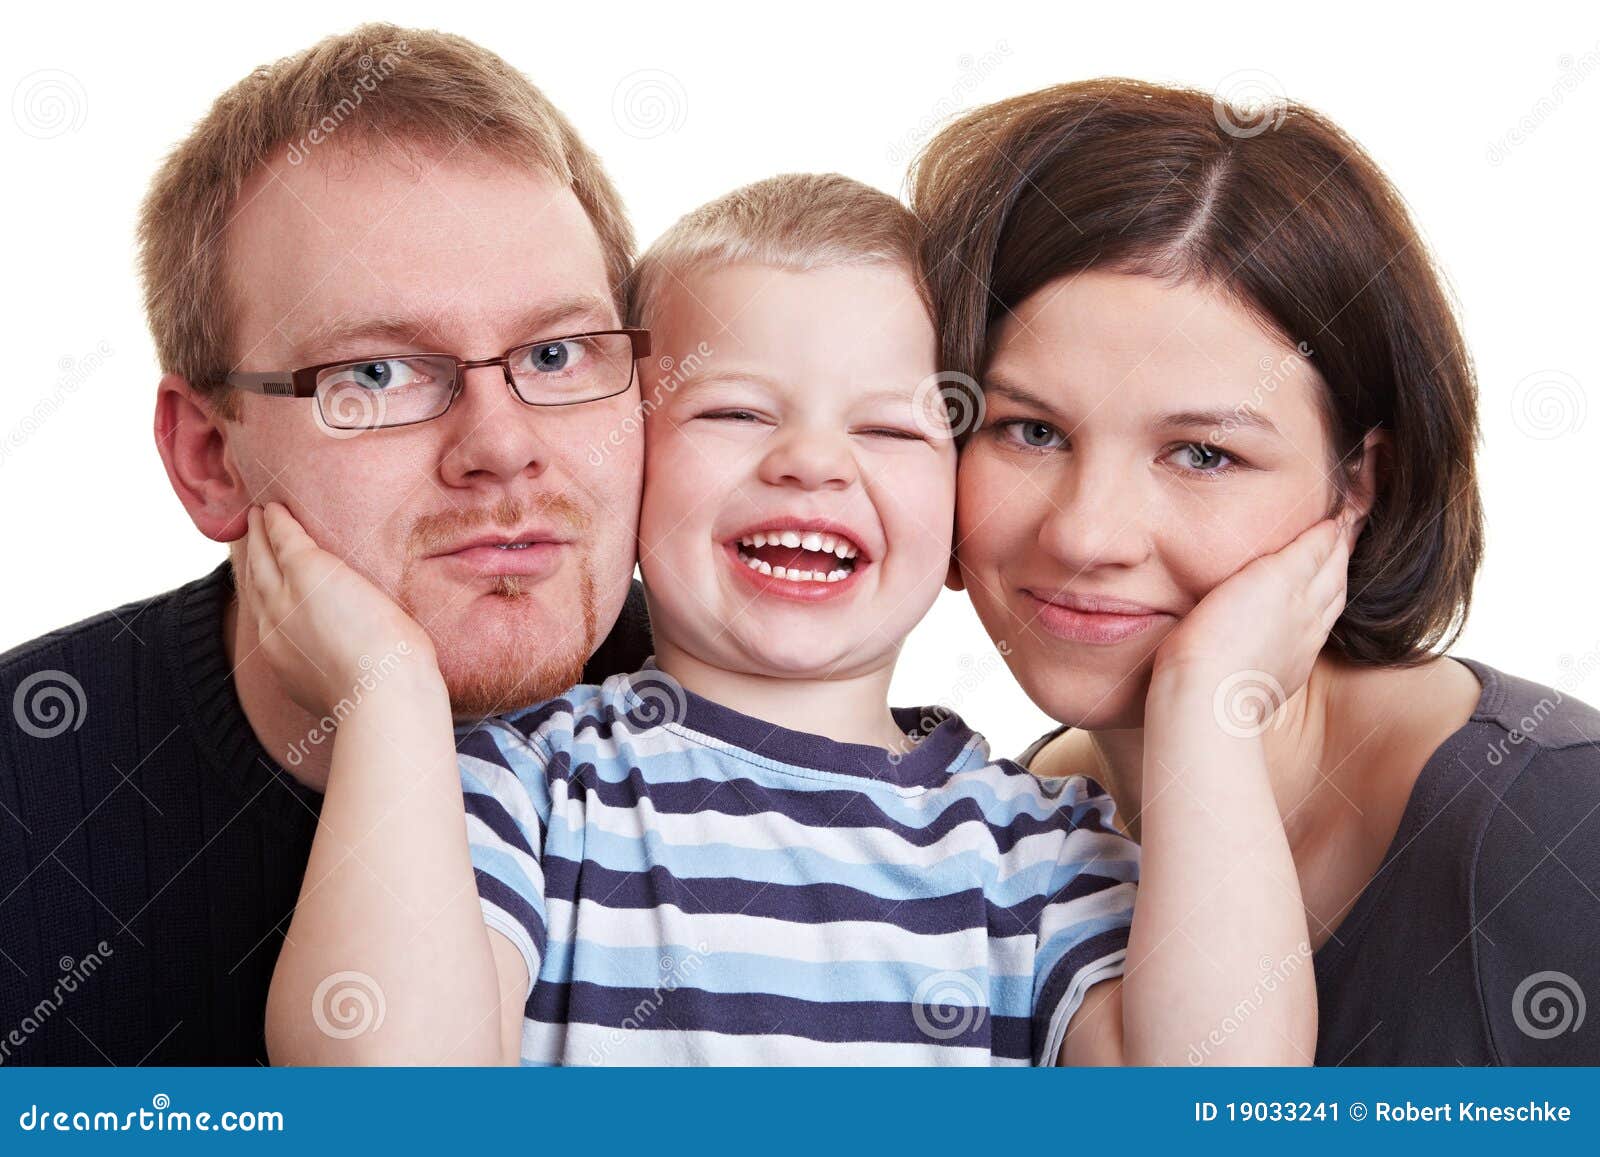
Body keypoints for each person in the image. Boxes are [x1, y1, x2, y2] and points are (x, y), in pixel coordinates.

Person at [247, 173, 1348, 1066]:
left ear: (960, 508)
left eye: (892, 431)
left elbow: (1218, 1098)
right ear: (627, 455)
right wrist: (389, 689)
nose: (812, 463)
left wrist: (1212, 703)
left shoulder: (1036, 851)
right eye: (734, 411)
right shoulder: (524, 791)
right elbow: (379, 1082)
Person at [911, 78, 1600, 1065]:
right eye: (1031, 429)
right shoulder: (991, 839)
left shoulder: (1566, 828)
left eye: (1200, 454)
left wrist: (1209, 699)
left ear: (1359, 482)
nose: (1085, 534)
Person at [0, 24, 651, 1065]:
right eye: (379, 375)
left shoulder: (795, 742)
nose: (501, 444)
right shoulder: (24, 805)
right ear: (210, 455)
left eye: (557, 352)